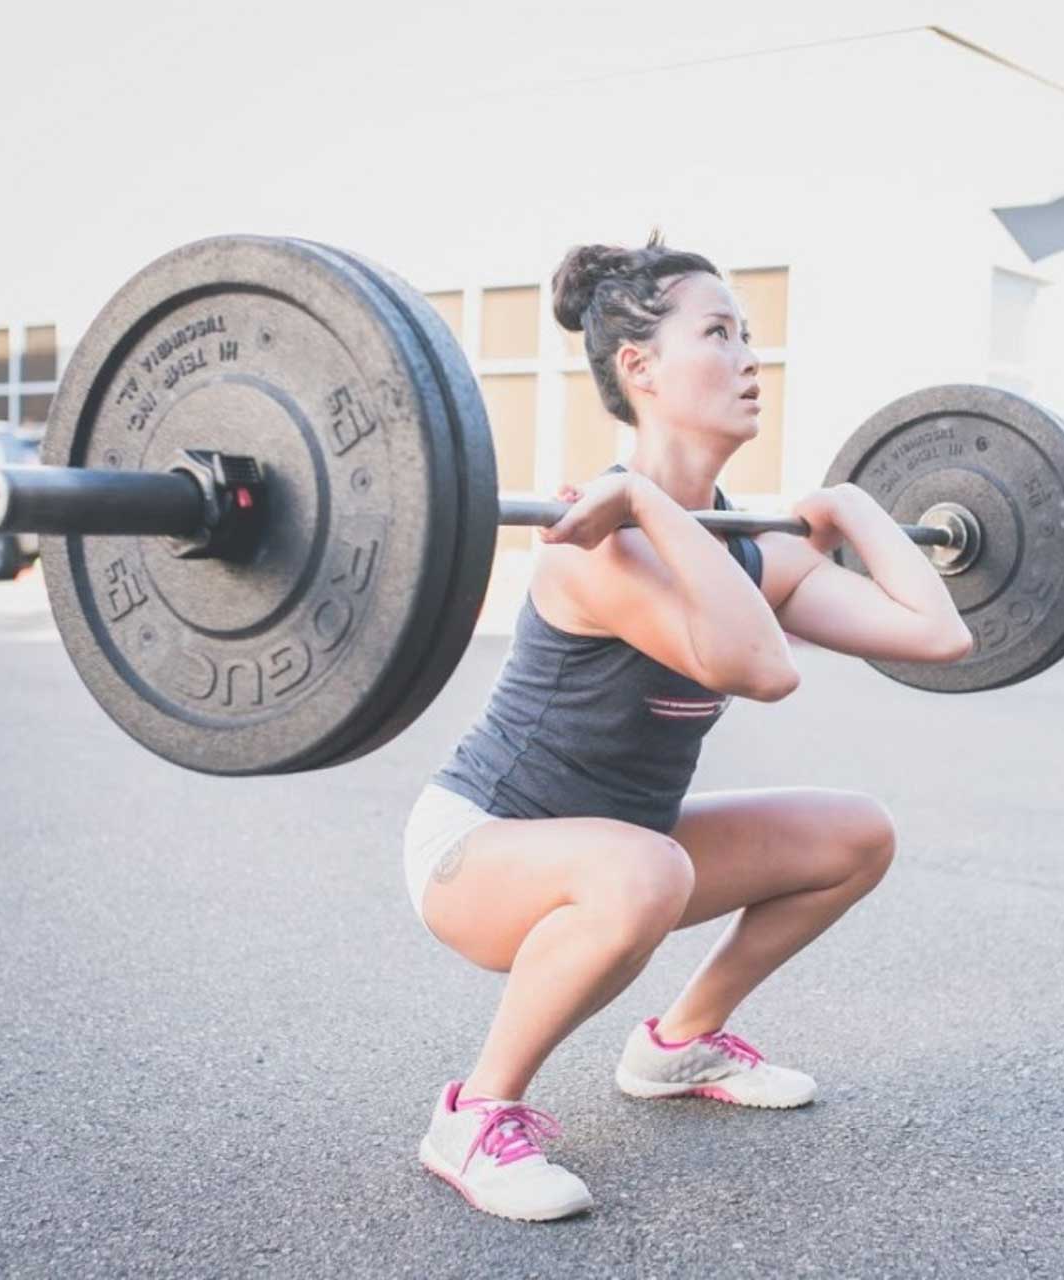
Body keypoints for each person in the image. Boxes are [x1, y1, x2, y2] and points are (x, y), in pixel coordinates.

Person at [401, 234, 972, 1221]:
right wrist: (640, 500)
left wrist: (856, 506)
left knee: (854, 833)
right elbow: (757, 667)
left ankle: (678, 1043)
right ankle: (473, 1110)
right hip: (479, 849)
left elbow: (939, 633)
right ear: (639, 367)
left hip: (630, 846)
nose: (750, 357)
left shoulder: (742, 544)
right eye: (717, 332)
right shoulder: (594, 543)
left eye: (750, 333)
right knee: (646, 871)